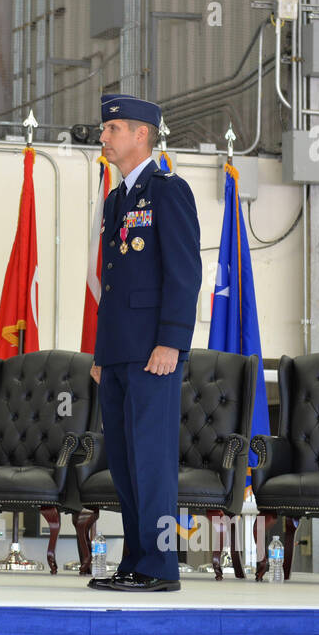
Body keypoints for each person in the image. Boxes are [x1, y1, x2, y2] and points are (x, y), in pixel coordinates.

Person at [88, 94, 201, 592]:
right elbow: (111, 284)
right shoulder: (116, 200)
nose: (104, 137)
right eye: (104, 129)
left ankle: (160, 566)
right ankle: (135, 561)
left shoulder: (168, 190)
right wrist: (100, 353)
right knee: (126, 462)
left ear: (142, 135)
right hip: (117, 352)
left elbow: (184, 273)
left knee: (152, 461)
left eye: (113, 129)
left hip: (155, 352)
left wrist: (172, 342)